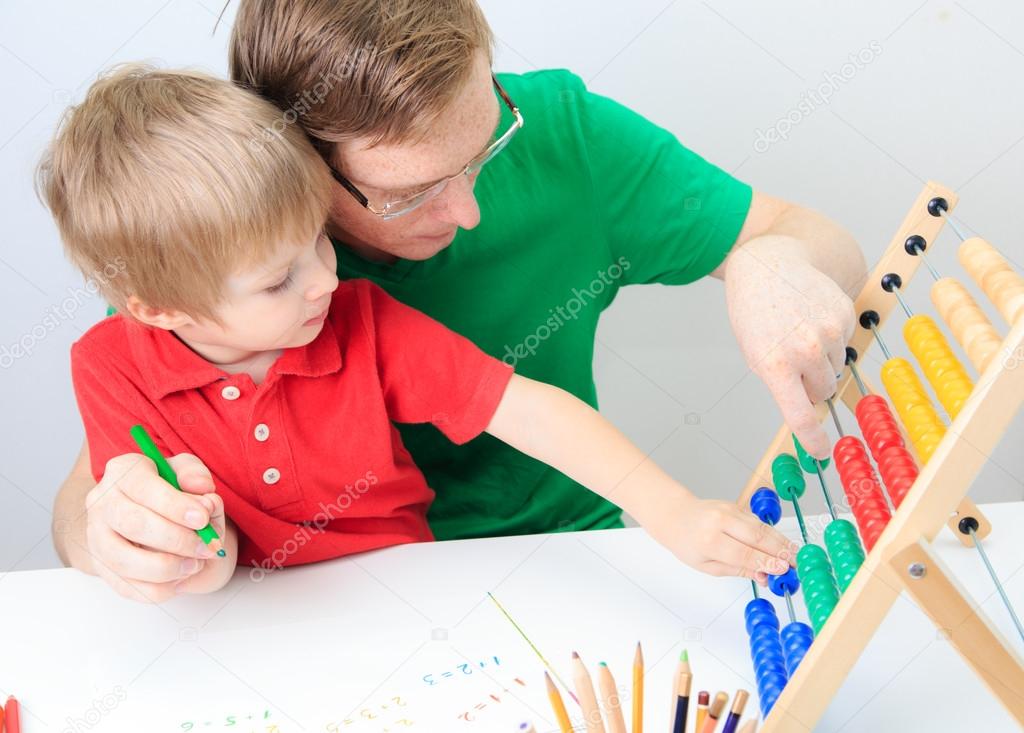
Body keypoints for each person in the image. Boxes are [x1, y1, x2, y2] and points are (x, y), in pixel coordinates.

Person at [51, 0, 865, 602]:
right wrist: (115, 537)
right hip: (296, 613)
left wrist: (771, 257)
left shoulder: (565, 135)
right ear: (287, 157)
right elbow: (102, 491)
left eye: (486, 148)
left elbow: (821, 242)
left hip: (566, 566)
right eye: (409, 192)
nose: (469, 211)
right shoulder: (214, 244)